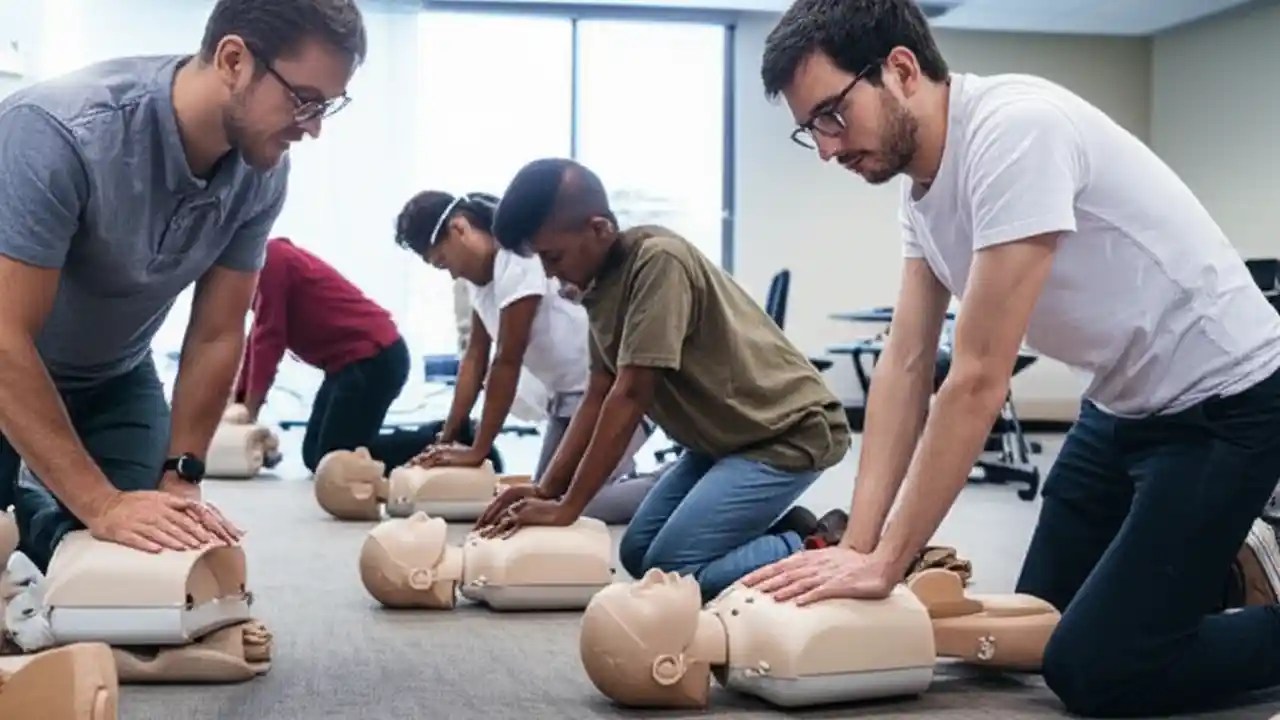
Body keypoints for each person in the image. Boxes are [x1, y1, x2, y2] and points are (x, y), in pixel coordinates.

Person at [742, 0, 1280, 716]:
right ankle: (1222, 569)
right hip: (1119, 407)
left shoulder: (1017, 131)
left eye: (832, 115)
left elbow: (975, 380)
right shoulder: (921, 192)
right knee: (1036, 621)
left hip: (1227, 406)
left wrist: (888, 562)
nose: (828, 148)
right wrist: (860, 548)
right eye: (811, 129)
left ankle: (1210, 574)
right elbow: (906, 363)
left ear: (901, 70)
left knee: (1095, 670)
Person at [0, 0, 365, 570]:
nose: (314, 127)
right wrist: (99, 502)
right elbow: (4, 339)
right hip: (10, 361)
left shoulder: (261, 173)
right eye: (304, 100)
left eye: (327, 107)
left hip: (113, 372)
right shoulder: (58, 134)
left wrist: (182, 474)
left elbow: (217, 332)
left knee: (128, 561)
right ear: (233, 60)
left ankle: (37, 518)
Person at [476, 158, 853, 601]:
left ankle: (823, 547)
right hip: (723, 440)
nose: (548, 272)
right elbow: (598, 394)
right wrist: (547, 490)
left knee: (675, 568)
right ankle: (792, 529)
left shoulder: (658, 262)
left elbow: (631, 393)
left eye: (552, 256)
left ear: (599, 228)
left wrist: (569, 507)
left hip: (784, 434)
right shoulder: (600, 285)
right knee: (638, 554)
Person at [393, 190, 655, 524]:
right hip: (568, 401)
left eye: (444, 261)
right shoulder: (479, 281)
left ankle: (677, 485)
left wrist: (478, 450)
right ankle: (622, 472)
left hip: (616, 392)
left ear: (460, 228)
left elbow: (507, 360)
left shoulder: (518, 260)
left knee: (581, 506)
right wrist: (447, 439)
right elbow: (475, 360)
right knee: (541, 498)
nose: (453, 275)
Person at [232, 236, 415, 474]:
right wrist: (238, 405)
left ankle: (435, 440)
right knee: (314, 456)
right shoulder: (260, 270)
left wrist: (249, 416)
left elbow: (269, 340)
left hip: (373, 359)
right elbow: (257, 337)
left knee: (333, 461)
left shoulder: (271, 261)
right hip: (347, 364)